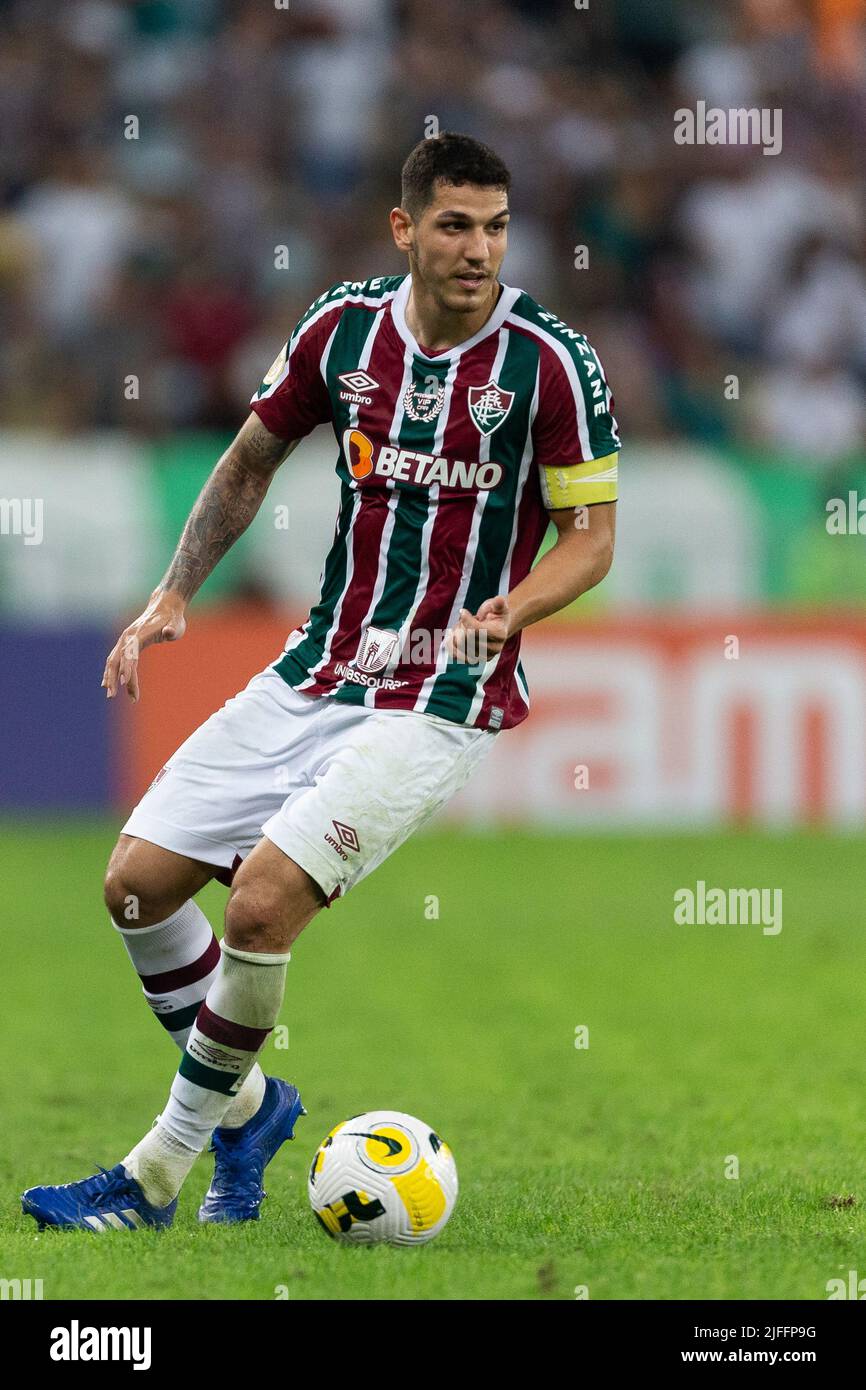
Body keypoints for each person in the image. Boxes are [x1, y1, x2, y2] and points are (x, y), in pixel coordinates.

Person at [22, 132, 619, 1232]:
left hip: (442, 692)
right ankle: (251, 1111)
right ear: (405, 229)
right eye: (453, 224)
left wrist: (513, 606)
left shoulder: (548, 363)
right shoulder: (342, 331)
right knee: (137, 885)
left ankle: (153, 1178)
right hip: (319, 665)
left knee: (258, 899)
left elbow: (590, 538)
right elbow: (249, 458)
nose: (477, 247)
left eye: (493, 226)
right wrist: (170, 591)